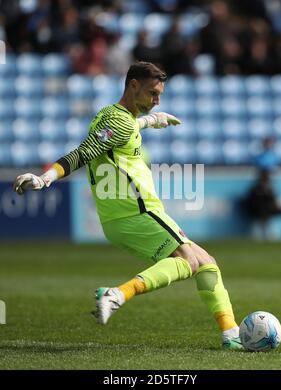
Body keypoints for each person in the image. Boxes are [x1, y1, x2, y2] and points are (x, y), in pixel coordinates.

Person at [13, 61, 242, 350]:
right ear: (133, 84)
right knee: (190, 261)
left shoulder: (116, 117)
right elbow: (83, 154)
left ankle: (230, 334)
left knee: (208, 265)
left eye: (159, 95)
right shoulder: (118, 121)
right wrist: (45, 178)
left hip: (119, 219)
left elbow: (125, 129)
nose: (156, 99)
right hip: (138, 211)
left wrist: (152, 119)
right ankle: (118, 294)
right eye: (151, 93)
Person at [246, 169, 281, 239]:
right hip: (259, 211)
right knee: (263, 212)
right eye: (265, 177)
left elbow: (273, 200)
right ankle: (265, 235)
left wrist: (275, 206)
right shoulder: (256, 189)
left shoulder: (270, 188)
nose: (267, 179)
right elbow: (255, 203)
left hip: (270, 209)